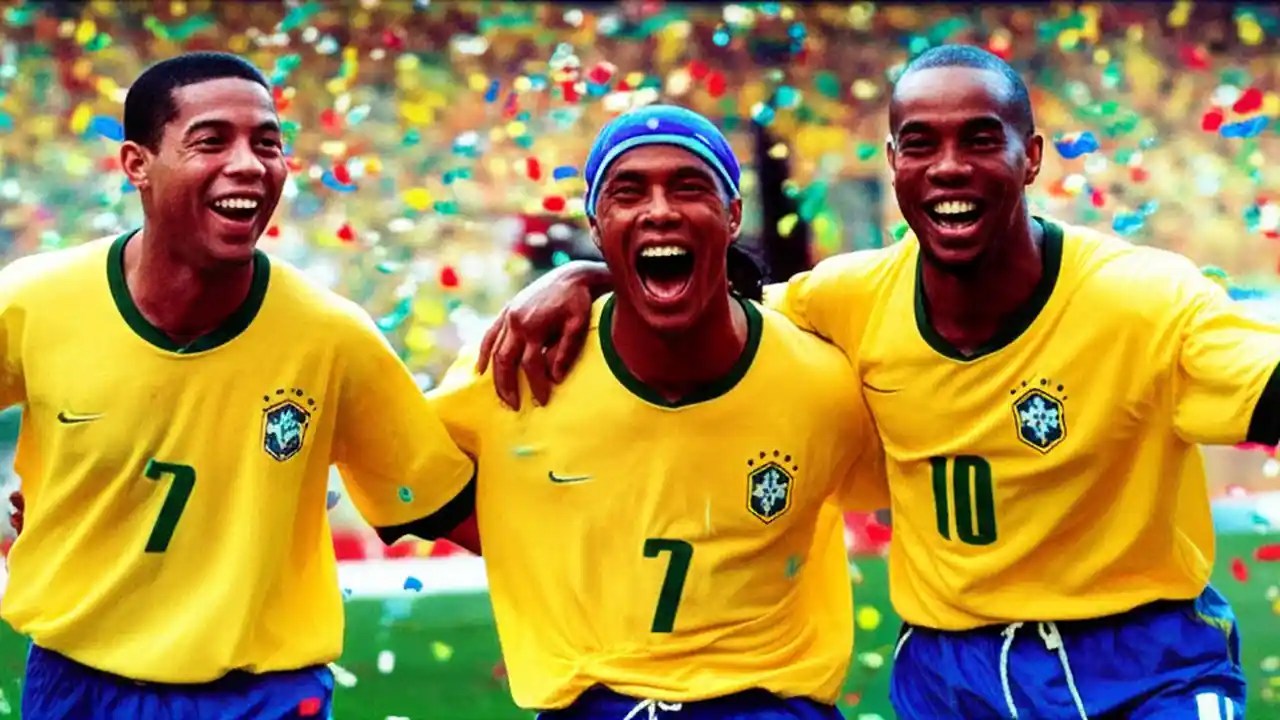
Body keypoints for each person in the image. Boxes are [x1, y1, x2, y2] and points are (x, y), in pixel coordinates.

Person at [476, 45, 1279, 720]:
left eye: (980, 139)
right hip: (950, 675)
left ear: (1030, 156)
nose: (949, 167)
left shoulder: (1147, 299)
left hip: (1145, 662)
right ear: (893, 163)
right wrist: (587, 276)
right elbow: (707, 309)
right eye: (921, 143)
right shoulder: (846, 299)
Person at [0, 52, 478, 719]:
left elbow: (453, 507)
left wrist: (591, 282)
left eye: (268, 143)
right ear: (136, 163)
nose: (250, 163)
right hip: (79, 685)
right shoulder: (31, 303)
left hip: (264, 696)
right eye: (211, 140)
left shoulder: (332, 336)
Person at [429, 104, 888, 720]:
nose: (661, 209)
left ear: (732, 216)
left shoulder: (823, 383)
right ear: (595, 226)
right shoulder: (515, 367)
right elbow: (405, 476)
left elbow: (915, 475)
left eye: (688, 186)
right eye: (629, 190)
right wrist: (550, 546)